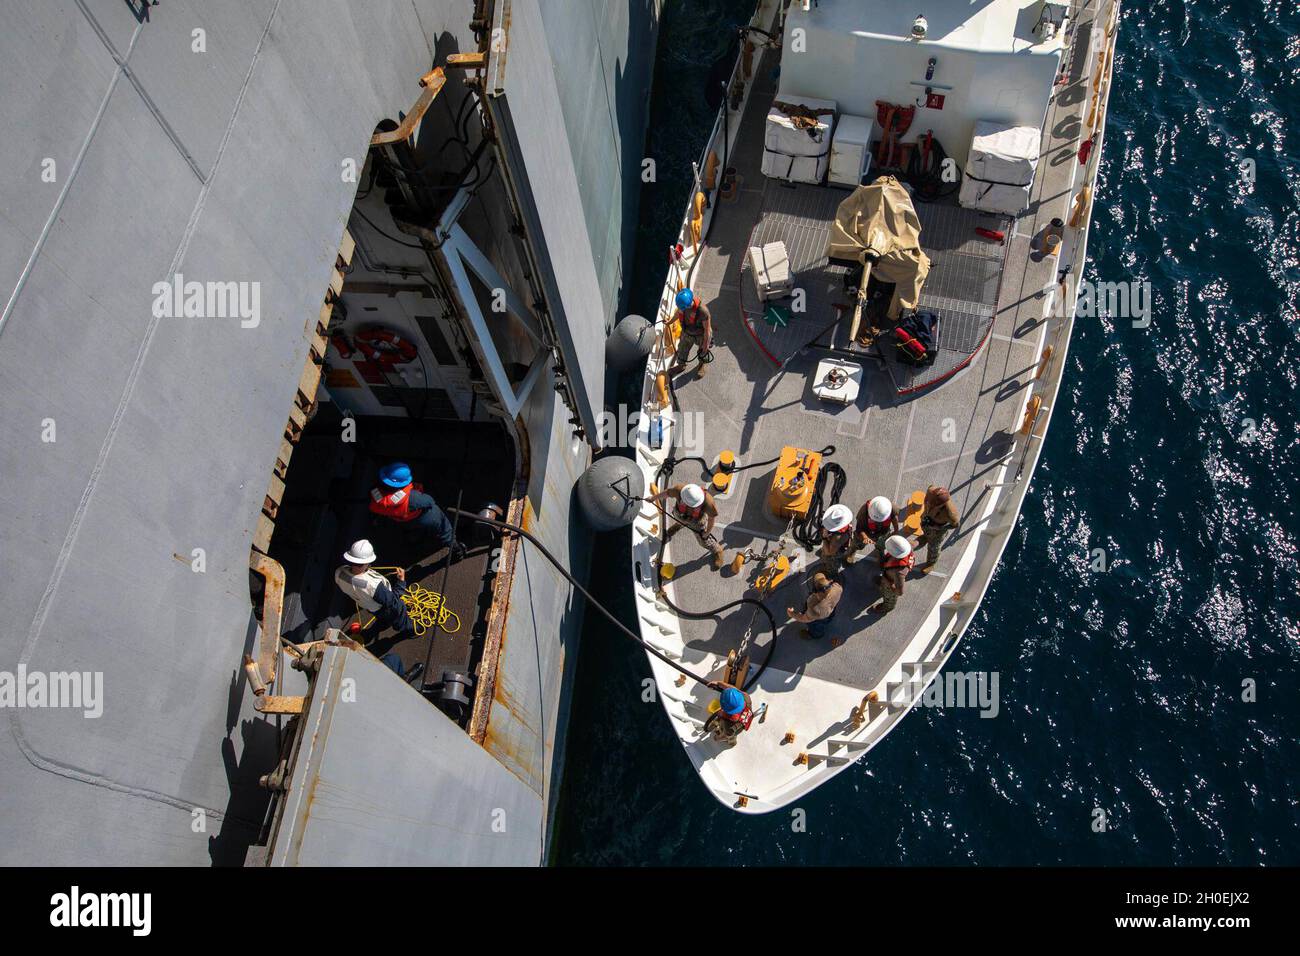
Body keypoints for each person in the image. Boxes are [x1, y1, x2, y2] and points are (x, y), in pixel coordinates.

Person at [369, 462, 466, 561]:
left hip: (401, 520)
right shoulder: (413, 498)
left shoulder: (376, 494)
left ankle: (413, 536)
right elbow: (429, 502)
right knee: (443, 526)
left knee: (411, 527)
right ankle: (456, 549)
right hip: (421, 517)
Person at [334, 539, 415, 640]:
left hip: (369, 606)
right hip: (384, 608)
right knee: (398, 611)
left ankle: (380, 626)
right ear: (367, 562)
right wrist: (401, 581)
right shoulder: (373, 586)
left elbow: (354, 581)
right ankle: (410, 630)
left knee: (383, 619)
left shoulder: (339, 572)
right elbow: (393, 600)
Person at [648, 482, 726, 568]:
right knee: (679, 520)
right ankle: (678, 525)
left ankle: (717, 550)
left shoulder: (708, 502)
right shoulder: (679, 490)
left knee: (703, 541)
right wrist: (653, 498)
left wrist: (707, 532)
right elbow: (667, 493)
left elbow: (711, 519)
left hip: (697, 521)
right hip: (680, 515)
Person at [667, 287, 712, 379]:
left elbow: (708, 330)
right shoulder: (682, 306)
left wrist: (705, 345)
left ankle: (702, 364)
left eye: (682, 308)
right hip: (687, 332)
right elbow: (678, 314)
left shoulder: (703, 311)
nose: (680, 309)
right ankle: (681, 366)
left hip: (701, 334)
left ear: (687, 306)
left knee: (703, 351)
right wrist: (669, 322)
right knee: (682, 349)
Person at [914, 484, 959, 570]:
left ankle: (931, 563)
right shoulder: (931, 490)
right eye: (931, 501)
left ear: (942, 504)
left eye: (935, 504)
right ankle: (924, 539)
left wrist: (940, 528)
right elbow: (931, 487)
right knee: (926, 535)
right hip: (926, 521)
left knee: (933, 548)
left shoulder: (950, 513)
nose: (931, 504)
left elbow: (956, 525)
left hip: (937, 530)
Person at [788, 571, 843, 639]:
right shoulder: (837, 587)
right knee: (829, 618)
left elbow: (804, 618)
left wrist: (792, 614)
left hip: (819, 618)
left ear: (815, 592)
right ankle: (829, 620)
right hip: (830, 611)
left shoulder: (814, 608)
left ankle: (814, 635)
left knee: (817, 628)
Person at [848, 495, 900, 563]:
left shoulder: (892, 508)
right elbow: (859, 528)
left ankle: (879, 551)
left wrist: (896, 531)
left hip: (883, 532)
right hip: (866, 531)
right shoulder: (864, 511)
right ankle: (853, 550)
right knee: (857, 542)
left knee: (882, 544)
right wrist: (865, 537)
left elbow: (895, 519)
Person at [872, 535, 914, 615]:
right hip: (887, 576)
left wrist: (889, 584)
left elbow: (899, 592)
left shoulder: (899, 572)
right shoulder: (907, 547)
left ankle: (887, 607)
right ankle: (882, 583)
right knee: (882, 582)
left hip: (891, 582)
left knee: (890, 597)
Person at [818, 503, 855, 576]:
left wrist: (824, 537)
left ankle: (831, 573)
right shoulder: (846, 520)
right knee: (824, 551)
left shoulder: (838, 537)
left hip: (836, 549)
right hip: (840, 544)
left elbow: (830, 553)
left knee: (829, 559)